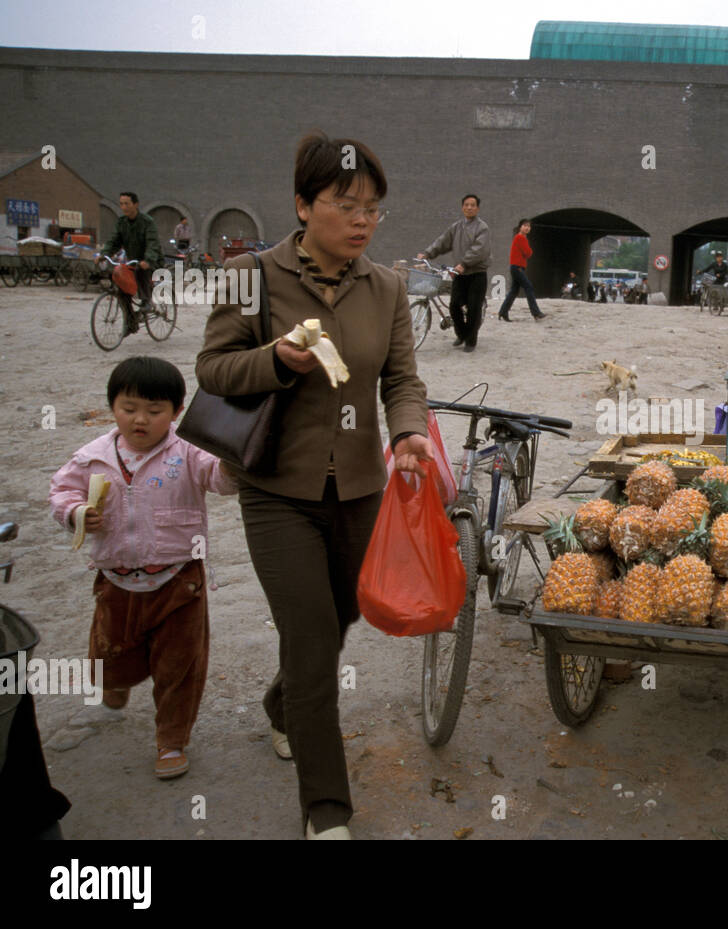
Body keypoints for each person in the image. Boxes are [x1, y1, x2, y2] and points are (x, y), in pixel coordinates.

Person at [196, 132, 432, 839]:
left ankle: (281, 704)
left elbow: (401, 379)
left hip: (359, 485)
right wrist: (276, 358)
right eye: (345, 204)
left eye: (373, 209)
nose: (362, 220)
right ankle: (327, 808)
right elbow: (212, 369)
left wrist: (410, 429)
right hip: (276, 487)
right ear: (303, 205)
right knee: (310, 633)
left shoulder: (386, 286)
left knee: (339, 619)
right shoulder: (250, 274)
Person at [49, 356, 238, 780]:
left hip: (179, 581)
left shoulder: (188, 452)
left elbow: (221, 481)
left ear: (176, 412)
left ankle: (171, 741)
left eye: (155, 411)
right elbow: (60, 491)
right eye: (128, 408)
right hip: (116, 579)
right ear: (112, 406)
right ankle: (115, 684)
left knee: (180, 666)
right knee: (111, 653)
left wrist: (234, 460)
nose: (140, 420)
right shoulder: (92, 457)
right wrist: (76, 512)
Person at [419, 194, 491, 352]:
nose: (469, 207)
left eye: (473, 205)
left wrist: (464, 263)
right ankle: (462, 334)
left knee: (473, 308)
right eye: (466, 205)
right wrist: (427, 253)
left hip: (476, 273)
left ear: (477, 208)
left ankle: (471, 341)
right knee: (453, 306)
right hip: (459, 274)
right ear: (462, 207)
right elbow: (443, 241)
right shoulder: (457, 227)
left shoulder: (482, 228)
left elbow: (479, 250)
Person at [102, 192, 163, 326]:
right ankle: (131, 322)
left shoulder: (147, 222)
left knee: (141, 271)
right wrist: (104, 254)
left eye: (127, 204)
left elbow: (152, 243)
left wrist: (148, 260)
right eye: (121, 204)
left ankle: (146, 301)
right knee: (122, 287)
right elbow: (114, 241)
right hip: (133, 260)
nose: (124, 207)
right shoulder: (121, 223)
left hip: (152, 260)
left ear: (135, 204)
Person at [497, 218, 545, 321]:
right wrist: (529, 250)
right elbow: (528, 253)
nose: (527, 228)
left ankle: (503, 312)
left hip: (516, 267)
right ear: (520, 227)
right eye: (525, 225)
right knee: (528, 287)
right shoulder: (521, 238)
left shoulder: (520, 238)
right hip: (517, 267)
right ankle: (536, 312)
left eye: (529, 226)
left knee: (514, 291)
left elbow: (527, 253)